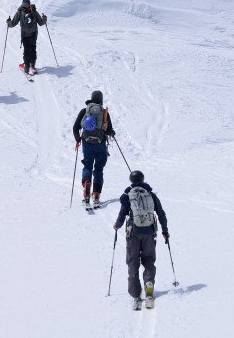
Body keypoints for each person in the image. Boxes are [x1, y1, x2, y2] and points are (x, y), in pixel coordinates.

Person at [113, 170, 170, 310]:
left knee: (133, 262)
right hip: (149, 233)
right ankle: (149, 283)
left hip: (133, 234)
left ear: (131, 180)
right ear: (143, 179)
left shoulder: (128, 195)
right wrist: (165, 230)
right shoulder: (151, 194)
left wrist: (117, 226)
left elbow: (122, 213)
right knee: (149, 259)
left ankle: (135, 295)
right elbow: (161, 213)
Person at [71, 90, 115, 205]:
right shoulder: (104, 112)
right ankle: (96, 195)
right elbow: (109, 129)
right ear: (101, 100)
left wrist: (78, 139)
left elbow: (75, 128)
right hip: (101, 145)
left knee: (88, 166)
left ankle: (86, 187)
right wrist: (112, 133)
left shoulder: (84, 111)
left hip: (87, 144)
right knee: (99, 169)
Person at [6, 0, 47, 75]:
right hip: (33, 34)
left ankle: (27, 67)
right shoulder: (33, 10)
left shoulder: (20, 11)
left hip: (24, 35)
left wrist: (8, 22)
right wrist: (44, 18)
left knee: (26, 50)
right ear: (29, 3)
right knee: (33, 49)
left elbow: (12, 24)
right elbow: (41, 23)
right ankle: (33, 65)